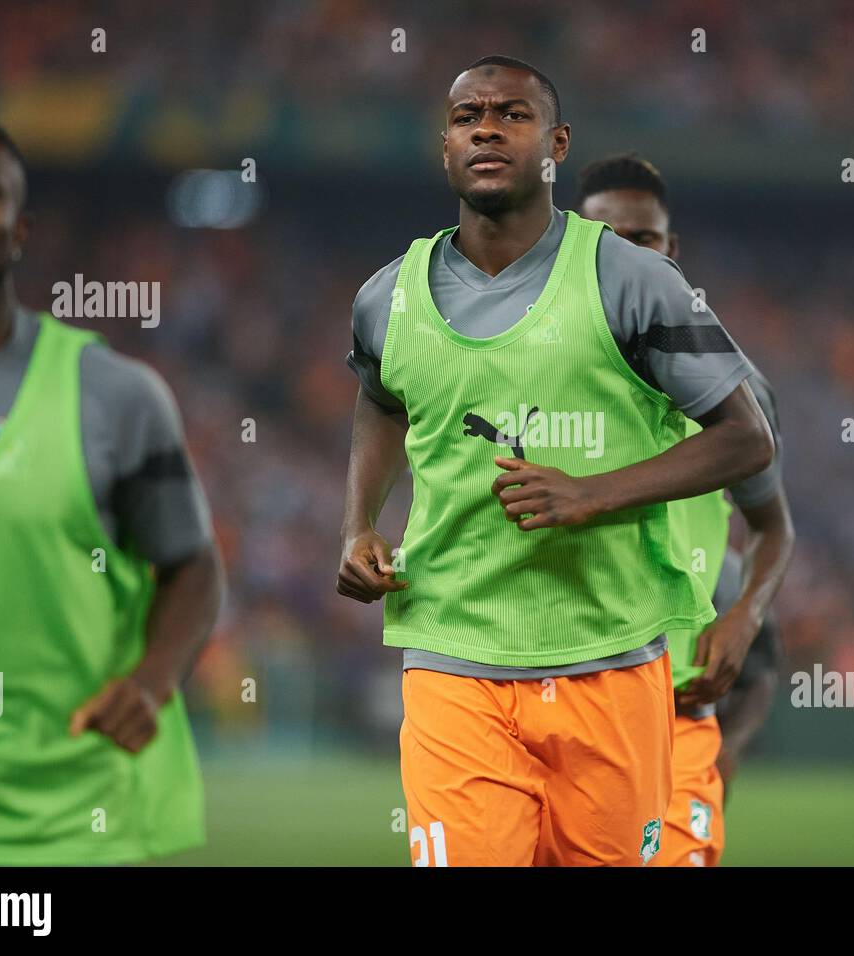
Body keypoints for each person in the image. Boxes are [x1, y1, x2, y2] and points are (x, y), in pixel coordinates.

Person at [339, 57, 774, 866]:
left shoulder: (635, 281)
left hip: (609, 661)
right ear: (445, 147)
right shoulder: (387, 296)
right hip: (453, 656)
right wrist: (358, 524)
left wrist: (593, 494)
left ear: (557, 143)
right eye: (469, 116)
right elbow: (381, 397)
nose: (488, 129)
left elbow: (747, 437)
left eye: (512, 113)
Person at [0, 113, 223, 865]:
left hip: (73, 821)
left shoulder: (114, 397)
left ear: (18, 232)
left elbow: (193, 566)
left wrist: (151, 680)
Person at [577, 153, 794, 866]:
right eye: (607, 239)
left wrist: (745, 612)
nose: (628, 255)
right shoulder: (543, 373)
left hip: (673, 713)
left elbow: (771, 525)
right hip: (555, 696)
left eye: (644, 239)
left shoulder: (737, 392)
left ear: (672, 250)